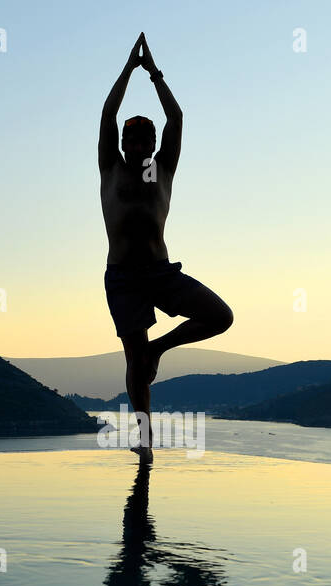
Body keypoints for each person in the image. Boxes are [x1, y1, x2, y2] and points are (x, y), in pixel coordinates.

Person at [99, 33, 233, 462]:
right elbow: (108, 112)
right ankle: (144, 439)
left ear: (152, 145)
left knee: (219, 315)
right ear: (123, 144)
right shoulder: (111, 169)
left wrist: (153, 73)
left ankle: (160, 348)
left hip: (160, 273)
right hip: (122, 277)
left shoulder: (163, 169)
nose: (137, 147)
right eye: (131, 140)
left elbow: (176, 117)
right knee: (135, 362)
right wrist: (127, 67)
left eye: (144, 141)